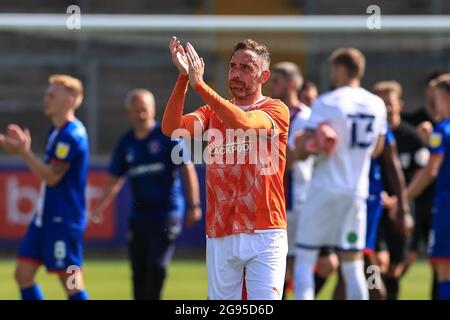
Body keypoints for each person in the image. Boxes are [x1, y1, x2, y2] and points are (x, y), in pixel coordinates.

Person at [162, 36, 289, 300]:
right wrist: (184, 78)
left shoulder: (275, 109)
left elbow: (242, 123)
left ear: (263, 75)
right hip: (220, 230)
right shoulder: (212, 112)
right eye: (233, 66)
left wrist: (201, 85)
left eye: (246, 67)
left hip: (264, 230)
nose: (236, 73)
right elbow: (171, 127)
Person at [291, 48, 387, 300]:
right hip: (356, 192)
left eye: (333, 69)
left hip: (324, 190)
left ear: (341, 69)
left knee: (305, 259)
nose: (332, 74)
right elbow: (377, 148)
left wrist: (305, 144)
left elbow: (305, 150)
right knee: (353, 263)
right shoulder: (376, 104)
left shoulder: (328, 102)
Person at [91, 88, 201, 300]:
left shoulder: (167, 136)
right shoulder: (126, 143)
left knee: (157, 267)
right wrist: (98, 207)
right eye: (137, 110)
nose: (141, 114)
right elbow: (115, 178)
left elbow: (187, 169)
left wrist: (193, 205)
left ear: (153, 110)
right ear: (129, 113)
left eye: (144, 109)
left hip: (167, 213)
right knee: (139, 271)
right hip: (139, 216)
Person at [0, 75, 89, 300]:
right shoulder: (56, 132)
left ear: (70, 100)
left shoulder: (71, 135)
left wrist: (24, 153)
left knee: (71, 281)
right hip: (45, 219)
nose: (46, 98)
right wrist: (23, 151)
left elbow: (51, 177)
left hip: (64, 220)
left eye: (52, 95)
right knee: (23, 274)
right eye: (47, 93)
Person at [373, 81, 427, 299]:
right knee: (376, 262)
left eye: (390, 102)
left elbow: (420, 173)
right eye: (382, 103)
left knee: (396, 267)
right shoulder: (373, 135)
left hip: (402, 208)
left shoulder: (411, 137)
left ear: (400, 105)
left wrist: (399, 201)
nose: (386, 108)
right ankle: (372, 292)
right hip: (375, 206)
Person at [269, 62, 318, 298]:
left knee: (299, 262)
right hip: (277, 199)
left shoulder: (305, 116)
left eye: (276, 81)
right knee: (278, 265)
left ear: (292, 84)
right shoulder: (271, 113)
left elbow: (286, 158)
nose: (271, 86)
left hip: (298, 198)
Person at [407, 74, 450, 300]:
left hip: (446, 205)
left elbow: (431, 170)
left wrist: (405, 196)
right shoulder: (439, 134)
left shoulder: (442, 130)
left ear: (442, 97)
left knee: (444, 268)